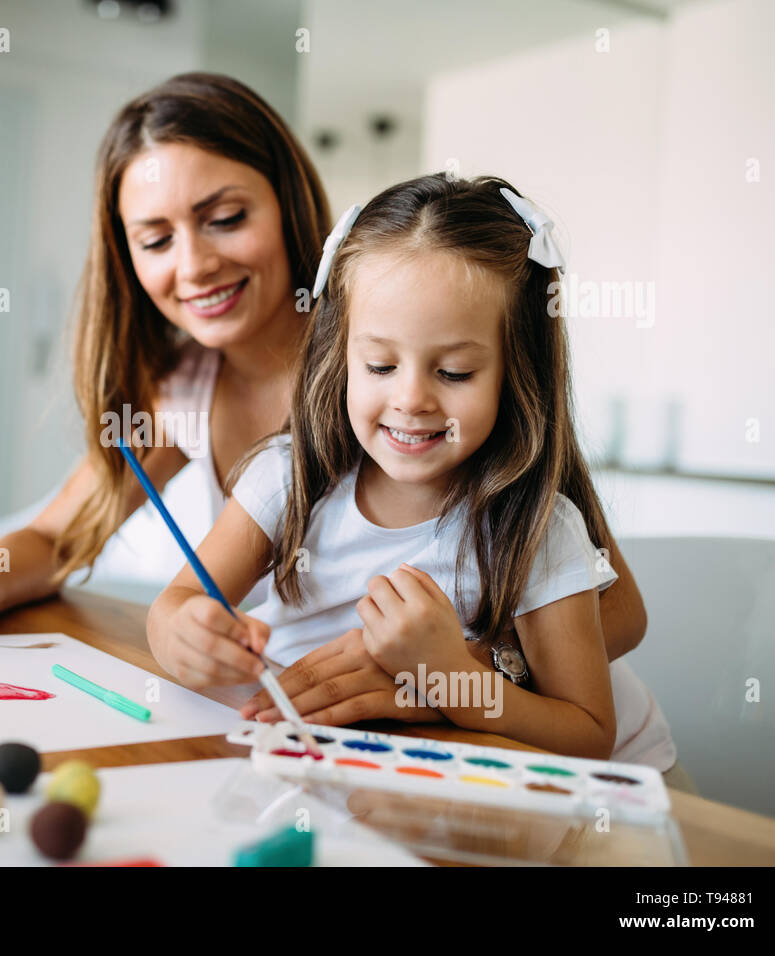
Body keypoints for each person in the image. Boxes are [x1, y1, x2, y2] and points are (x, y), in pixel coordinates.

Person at [0, 74, 651, 738]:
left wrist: (447, 676)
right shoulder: (184, 391)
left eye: (225, 218)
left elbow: (618, 613)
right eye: (155, 239)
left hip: (506, 742)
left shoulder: (415, 343)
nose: (195, 263)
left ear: (288, 205)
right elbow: (61, 537)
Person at [148, 174, 684, 779]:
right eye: (379, 364)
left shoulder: (535, 523)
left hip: (597, 797)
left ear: (518, 373)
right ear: (340, 352)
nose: (410, 399)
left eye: (454, 372)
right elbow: (179, 602)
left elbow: (586, 734)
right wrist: (180, 636)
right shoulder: (289, 475)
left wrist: (448, 677)